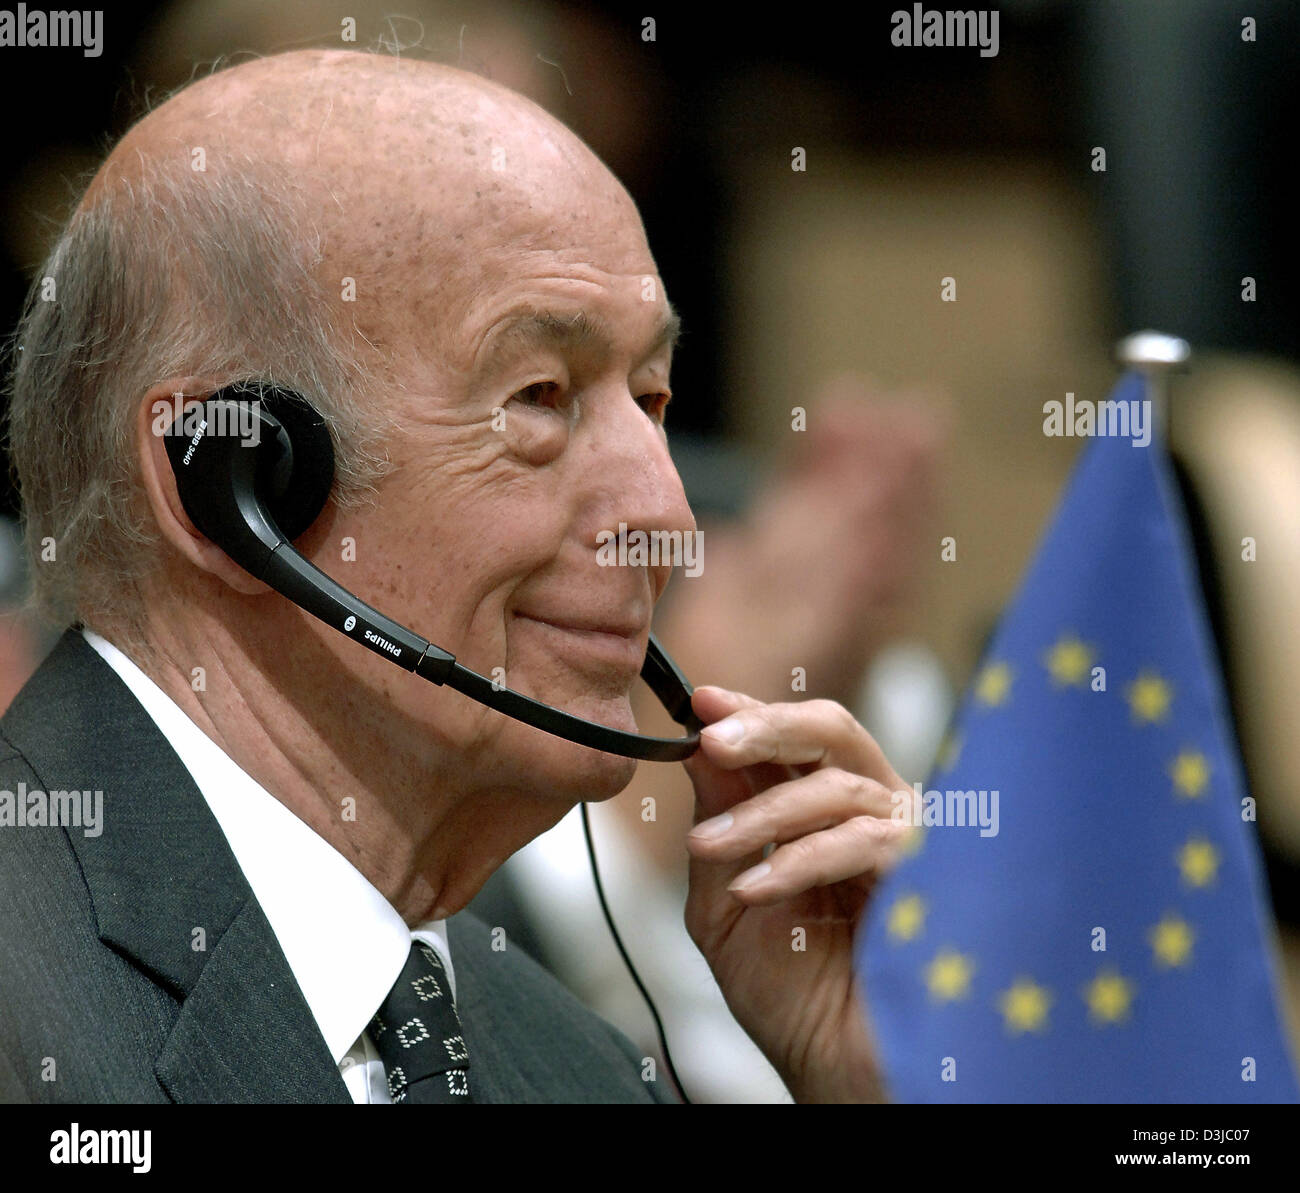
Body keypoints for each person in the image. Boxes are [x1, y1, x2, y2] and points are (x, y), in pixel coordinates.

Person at [0, 49, 910, 1104]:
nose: (663, 518)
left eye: (651, 400)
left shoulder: (586, 1068)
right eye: (539, 395)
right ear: (230, 482)